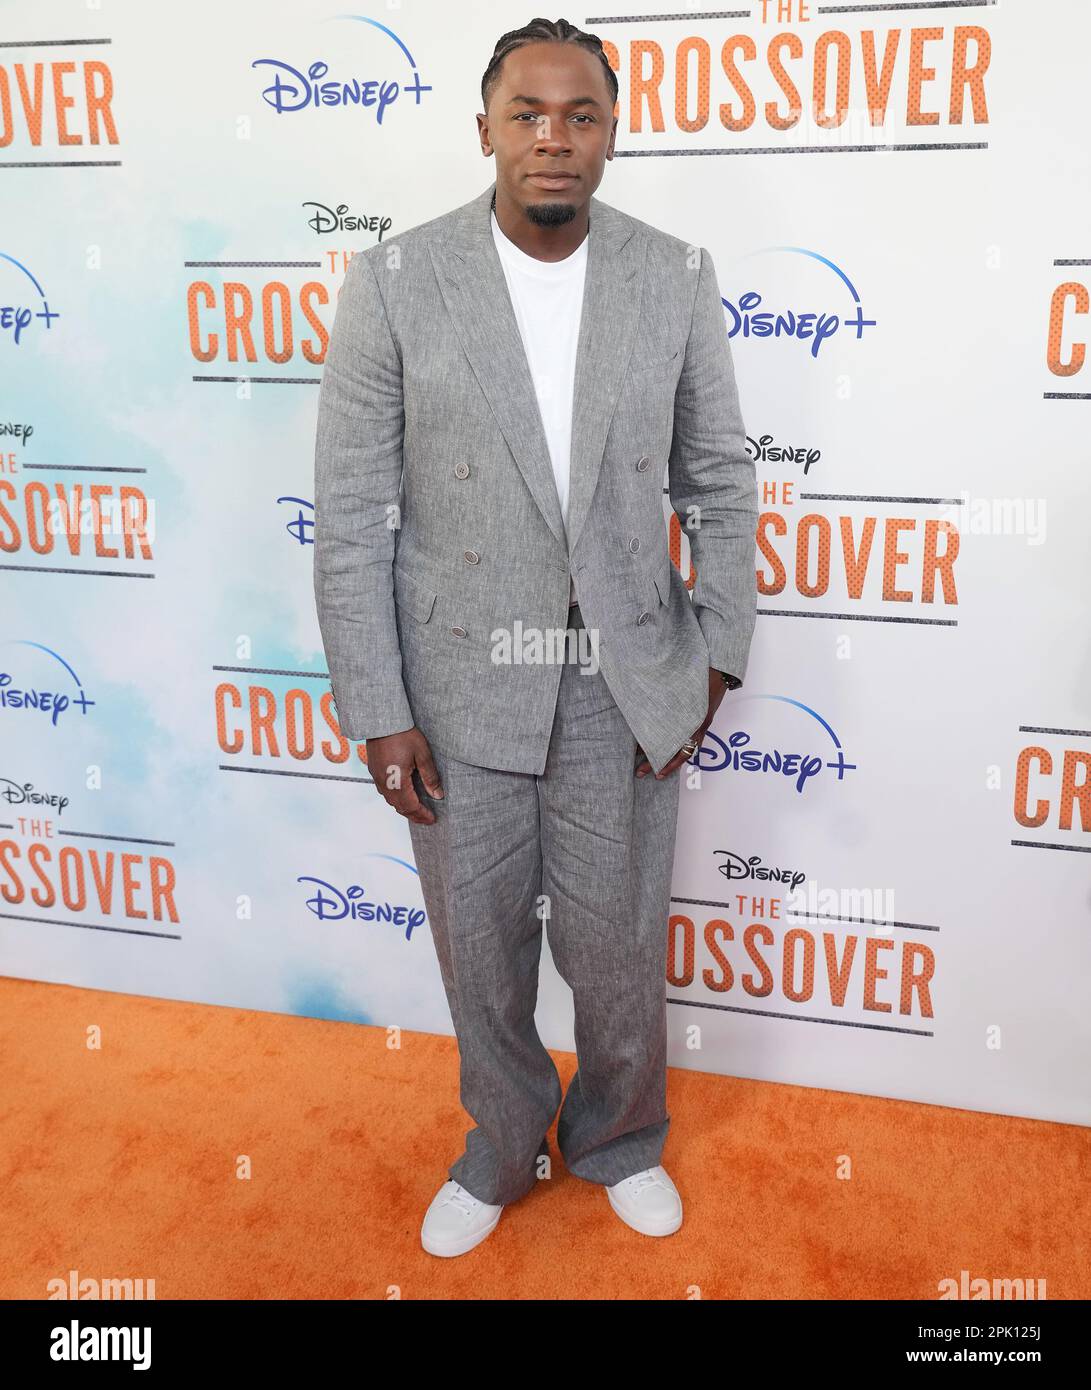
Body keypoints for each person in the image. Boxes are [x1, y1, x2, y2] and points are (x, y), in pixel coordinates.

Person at [313, 16, 757, 1258]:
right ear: (485, 131)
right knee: (481, 953)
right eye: (527, 115)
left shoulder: (671, 274)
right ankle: (503, 1148)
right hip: (457, 689)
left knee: (616, 952)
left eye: (580, 117)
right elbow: (351, 513)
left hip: (626, 680)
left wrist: (714, 653)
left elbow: (718, 475)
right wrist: (377, 704)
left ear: (612, 135)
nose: (553, 140)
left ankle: (616, 1136)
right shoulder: (399, 280)